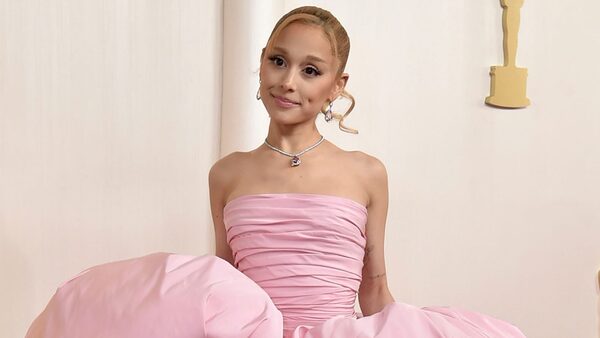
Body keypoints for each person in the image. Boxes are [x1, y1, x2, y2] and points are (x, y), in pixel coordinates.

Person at [26, 6, 526, 338]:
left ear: (336, 85)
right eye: (278, 61)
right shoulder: (227, 174)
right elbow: (221, 283)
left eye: (311, 70)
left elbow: (374, 287)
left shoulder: (366, 172)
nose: (288, 82)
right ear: (262, 64)